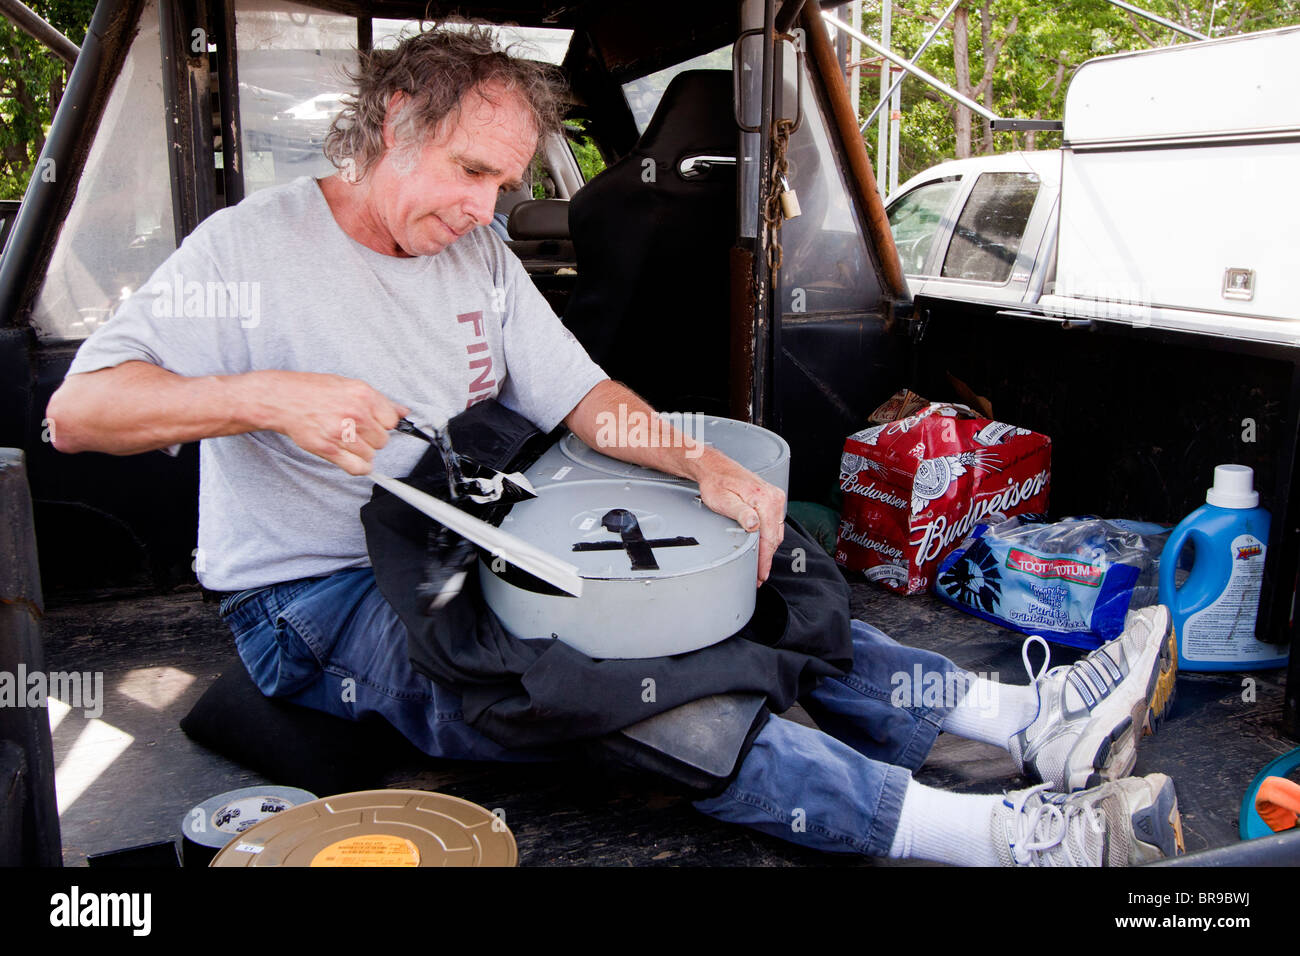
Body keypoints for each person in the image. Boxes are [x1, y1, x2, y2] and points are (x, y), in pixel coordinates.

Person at [45, 23, 1182, 867]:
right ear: (394, 127)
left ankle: (1027, 722)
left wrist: (703, 465)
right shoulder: (248, 247)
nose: (491, 211)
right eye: (472, 172)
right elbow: (80, 411)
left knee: (742, 577)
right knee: (599, 683)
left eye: (508, 180)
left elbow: (583, 396)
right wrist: (263, 396)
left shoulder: (474, 255)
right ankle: (998, 837)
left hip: (474, 541)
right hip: (315, 598)